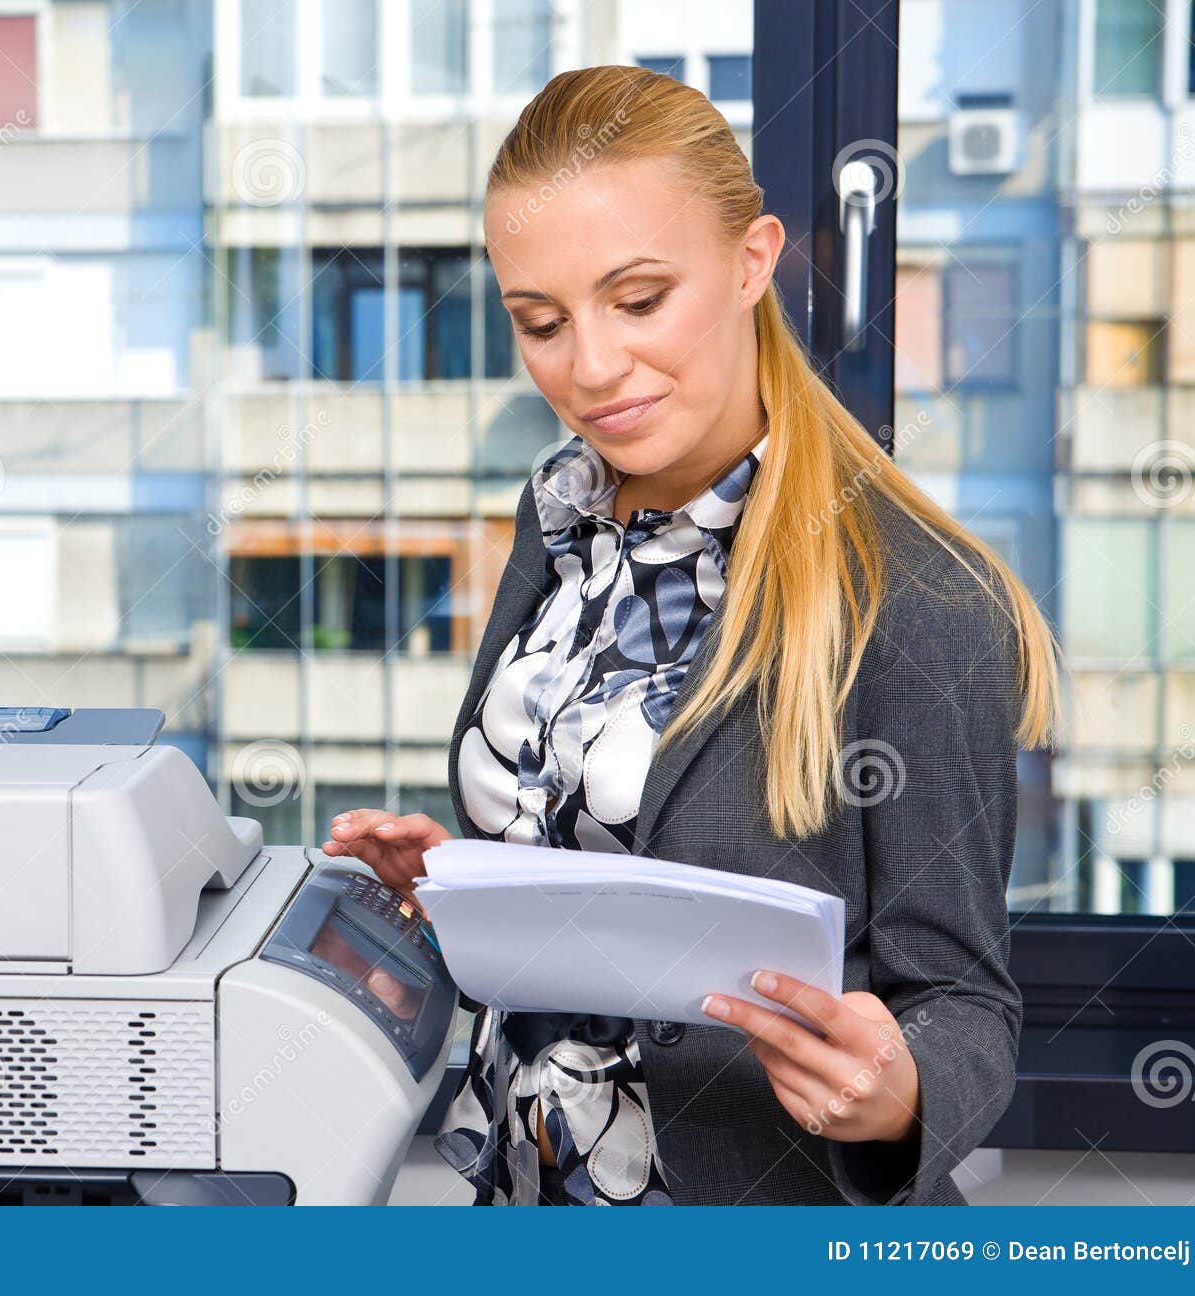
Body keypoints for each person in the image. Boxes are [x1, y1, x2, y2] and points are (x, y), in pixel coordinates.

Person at [323, 64, 1061, 1206]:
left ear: (752, 261)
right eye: (540, 322)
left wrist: (897, 1091)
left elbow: (965, 1005)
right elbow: (591, 851)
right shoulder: (556, 519)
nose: (592, 368)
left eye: (638, 299)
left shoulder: (917, 599)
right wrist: (469, 884)